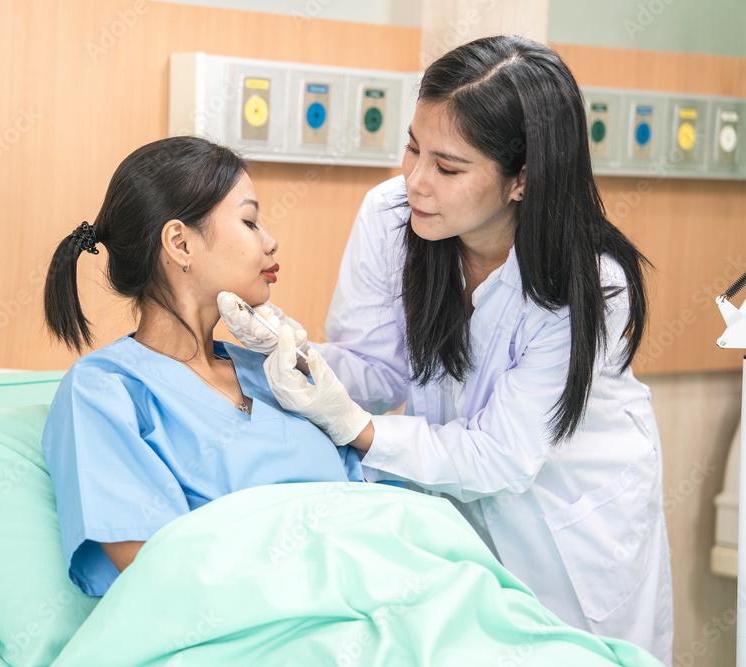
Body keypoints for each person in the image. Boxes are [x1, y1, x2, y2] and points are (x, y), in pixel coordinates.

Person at [218, 35, 673, 664]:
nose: (416, 180)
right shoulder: (390, 216)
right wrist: (291, 352)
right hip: (455, 521)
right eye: (412, 147)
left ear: (522, 178)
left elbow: (499, 456)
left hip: (575, 536)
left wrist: (358, 429)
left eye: (448, 167)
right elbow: (378, 370)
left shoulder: (589, 284)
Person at [40, 136, 365, 597]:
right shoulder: (102, 391)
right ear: (180, 242)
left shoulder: (278, 373)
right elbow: (158, 578)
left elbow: (371, 506)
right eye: (250, 221)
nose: (271, 242)